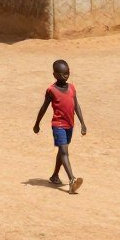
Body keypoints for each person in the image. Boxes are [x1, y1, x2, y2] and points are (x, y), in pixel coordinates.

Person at [33, 59, 87, 194]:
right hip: (58, 125)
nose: (66, 76)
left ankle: (55, 176)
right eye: (63, 74)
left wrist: (82, 123)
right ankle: (72, 180)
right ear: (55, 75)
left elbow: (76, 105)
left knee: (62, 152)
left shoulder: (72, 87)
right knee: (64, 151)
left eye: (67, 73)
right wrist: (37, 123)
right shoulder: (51, 90)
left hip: (70, 125)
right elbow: (44, 108)